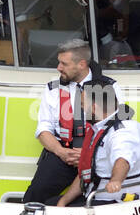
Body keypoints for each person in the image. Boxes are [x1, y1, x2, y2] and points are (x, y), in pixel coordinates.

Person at [23, 39, 124, 205]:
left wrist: (88, 155)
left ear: (82, 64)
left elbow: (116, 127)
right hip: (63, 153)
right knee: (34, 196)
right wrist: (61, 151)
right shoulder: (52, 89)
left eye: (64, 63)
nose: (58, 68)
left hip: (97, 154)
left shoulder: (108, 87)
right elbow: (43, 128)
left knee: (96, 200)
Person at [56, 82, 140, 207]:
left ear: (94, 108)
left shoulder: (123, 131)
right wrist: (63, 202)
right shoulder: (98, 129)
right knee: (51, 204)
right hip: (94, 196)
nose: (81, 110)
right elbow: (86, 173)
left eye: (82, 106)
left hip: (119, 202)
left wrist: (116, 180)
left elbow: (123, 159)